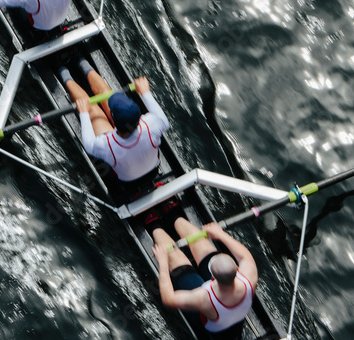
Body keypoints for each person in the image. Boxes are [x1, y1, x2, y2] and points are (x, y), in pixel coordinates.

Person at [61, 69, 169, 198]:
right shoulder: (152, 123)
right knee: (107, 94)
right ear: (138, 112)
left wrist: (84, 111)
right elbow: (164, 121)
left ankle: (63, 72)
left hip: (127, 183)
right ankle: (82, 63)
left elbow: (89, 145)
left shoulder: (107, 145)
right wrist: (146, 92)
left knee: (93, 111)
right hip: (151, 171)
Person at [151, 219, 258, 339]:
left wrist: (163, 262)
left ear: (212, 276)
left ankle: (155, 226)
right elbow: (245, 256)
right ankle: (173, 216)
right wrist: (220, 234)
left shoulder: (203, 297)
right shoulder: (250, 277)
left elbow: (168, 299)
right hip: (228, 312)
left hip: (210, 322)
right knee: (198, 240)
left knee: (178, 261)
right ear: (237, 270)